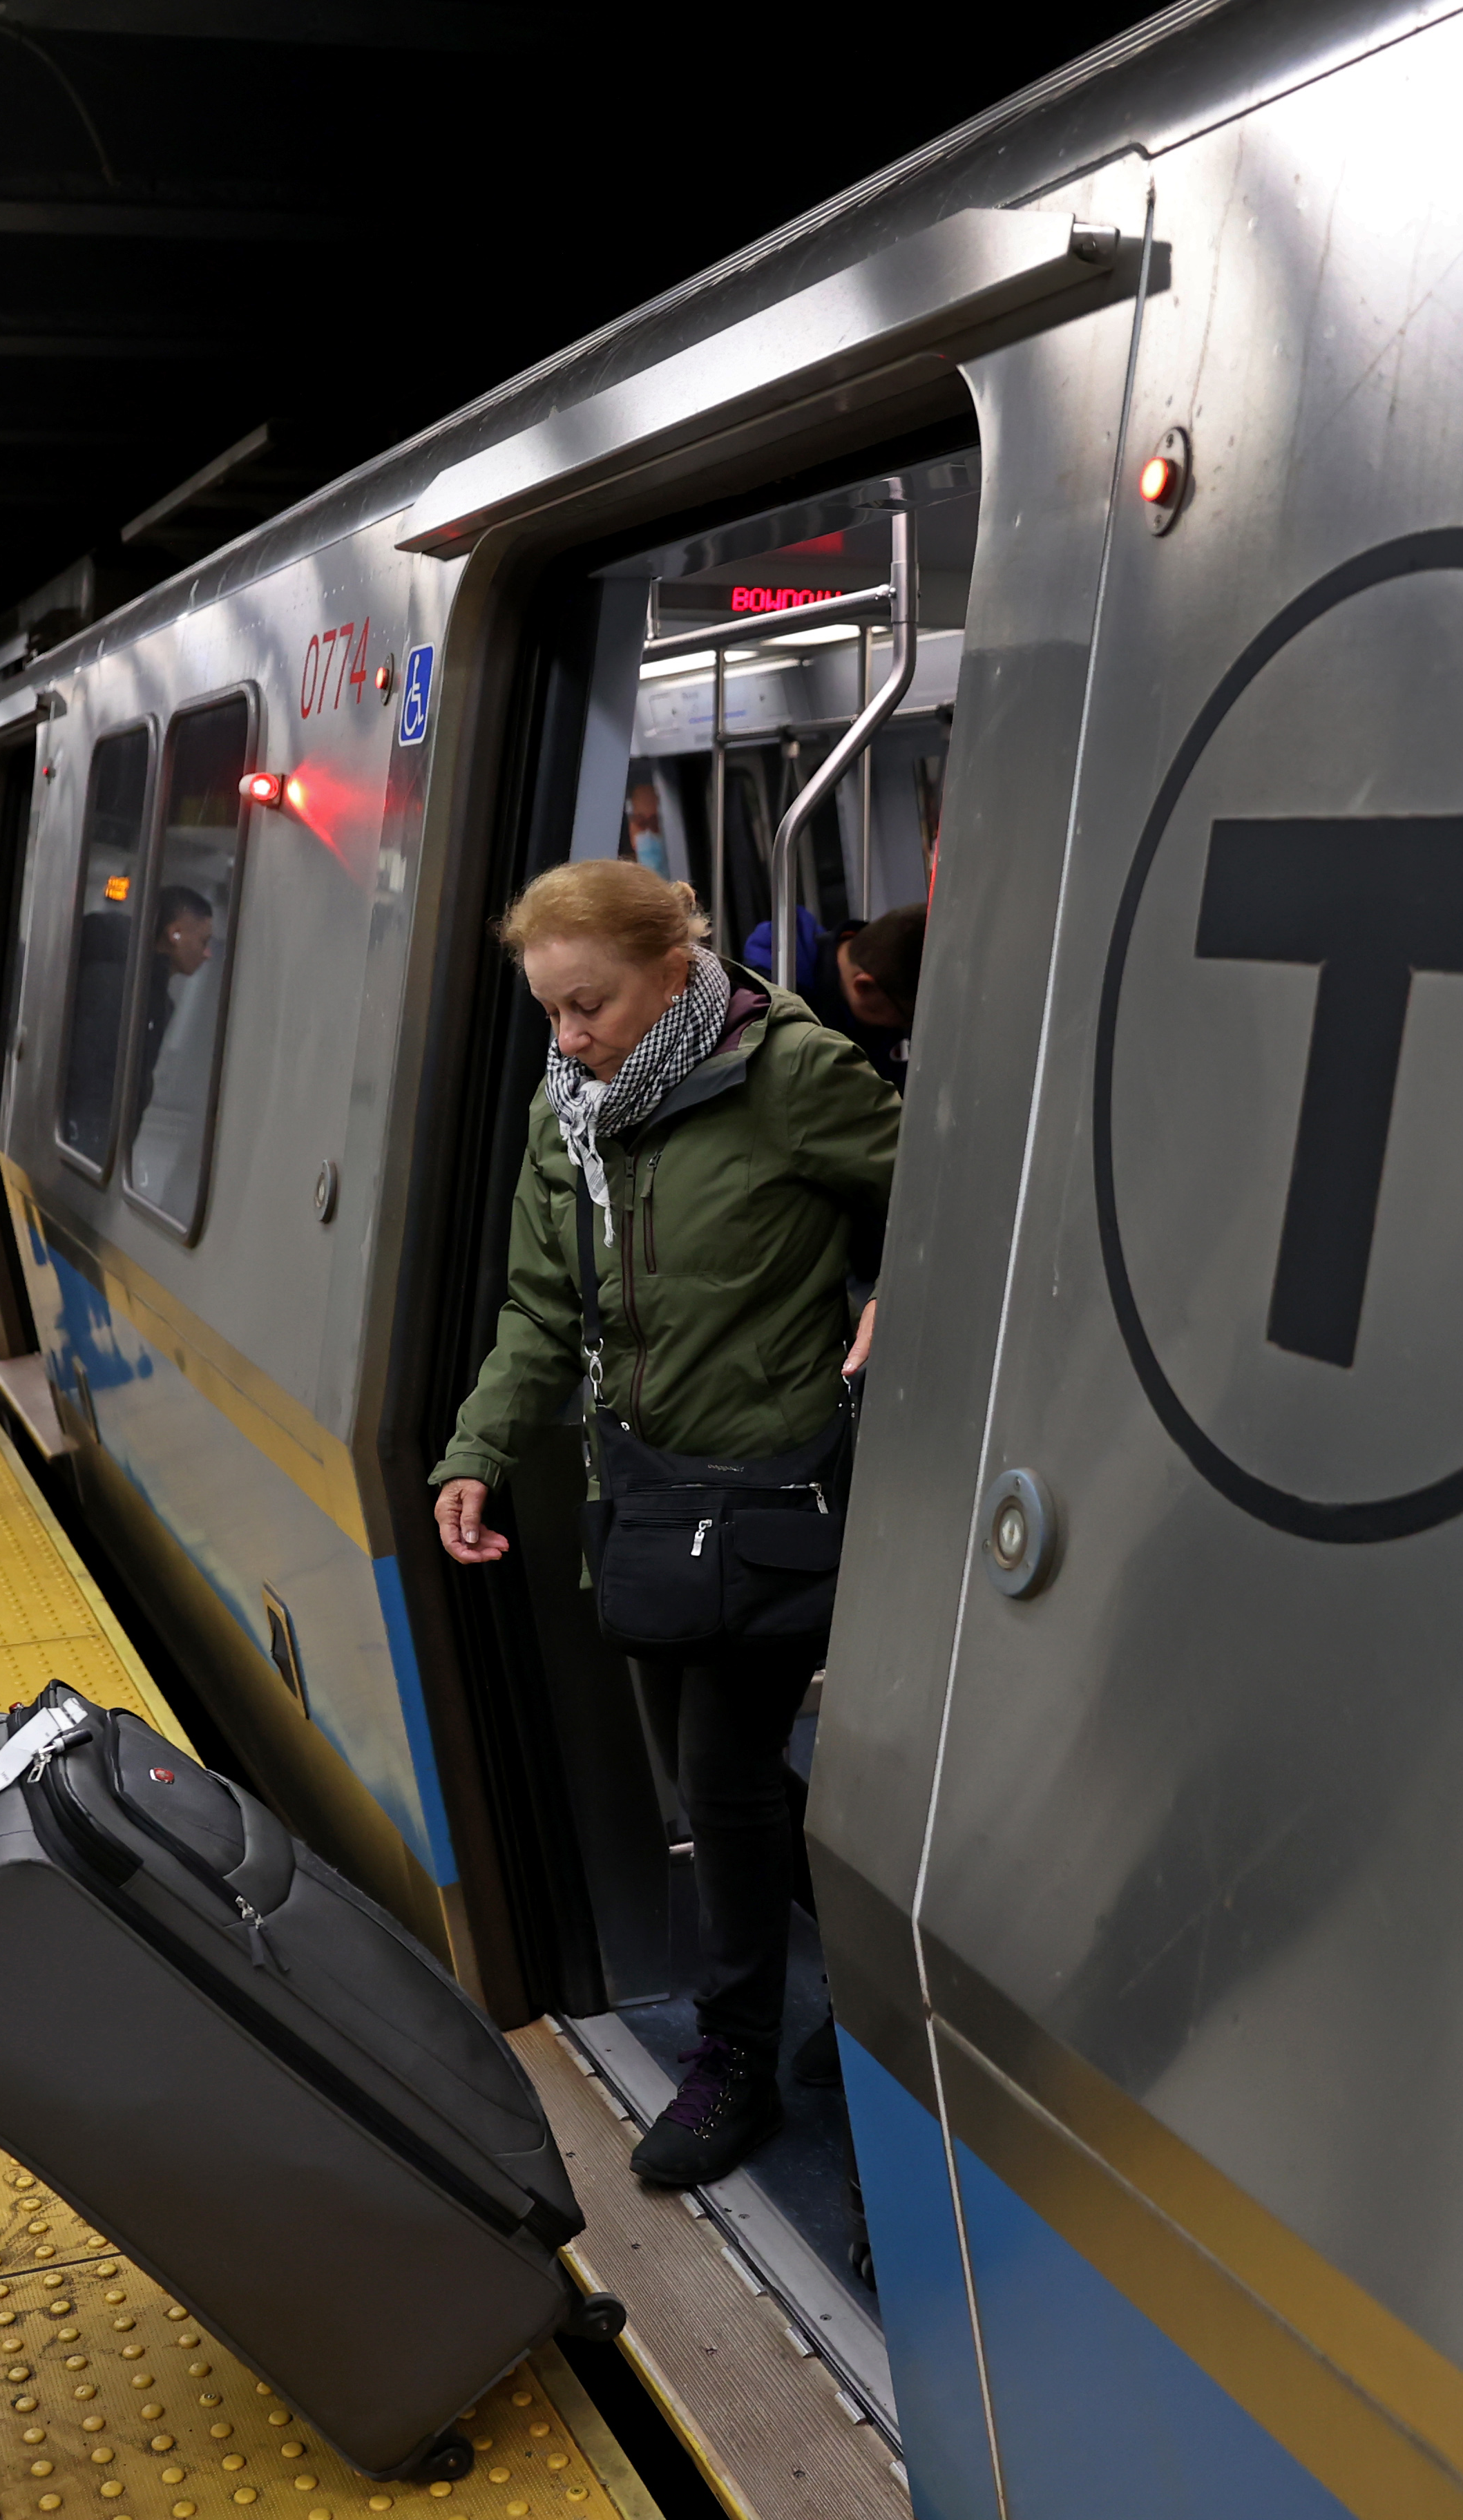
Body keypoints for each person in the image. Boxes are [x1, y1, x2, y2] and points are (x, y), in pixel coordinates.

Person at [430, 859, 896, 2188]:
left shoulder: (787, 1078)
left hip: (766, 1487)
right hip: (638, 1492)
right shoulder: (568, 1111)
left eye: (590, 1005)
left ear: (677, 966)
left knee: (725, 1779)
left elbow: (943, 1191)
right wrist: (477, 1450)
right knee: (725, 1783)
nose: (568, 1038)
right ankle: (872, 1990)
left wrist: (891, 1292)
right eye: (550, 1012)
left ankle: (735, 2055)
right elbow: (540, 1311)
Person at [124, 883, 219, 1208]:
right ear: (176, 934)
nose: (207, 953)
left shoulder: (153, 992)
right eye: (203, 942)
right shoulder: (128, 988)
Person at [801, 903, 921, 1093]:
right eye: (905, 1017)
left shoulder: (881, 966)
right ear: (863, 987)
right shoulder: (781, 1011)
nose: (906, 1026)